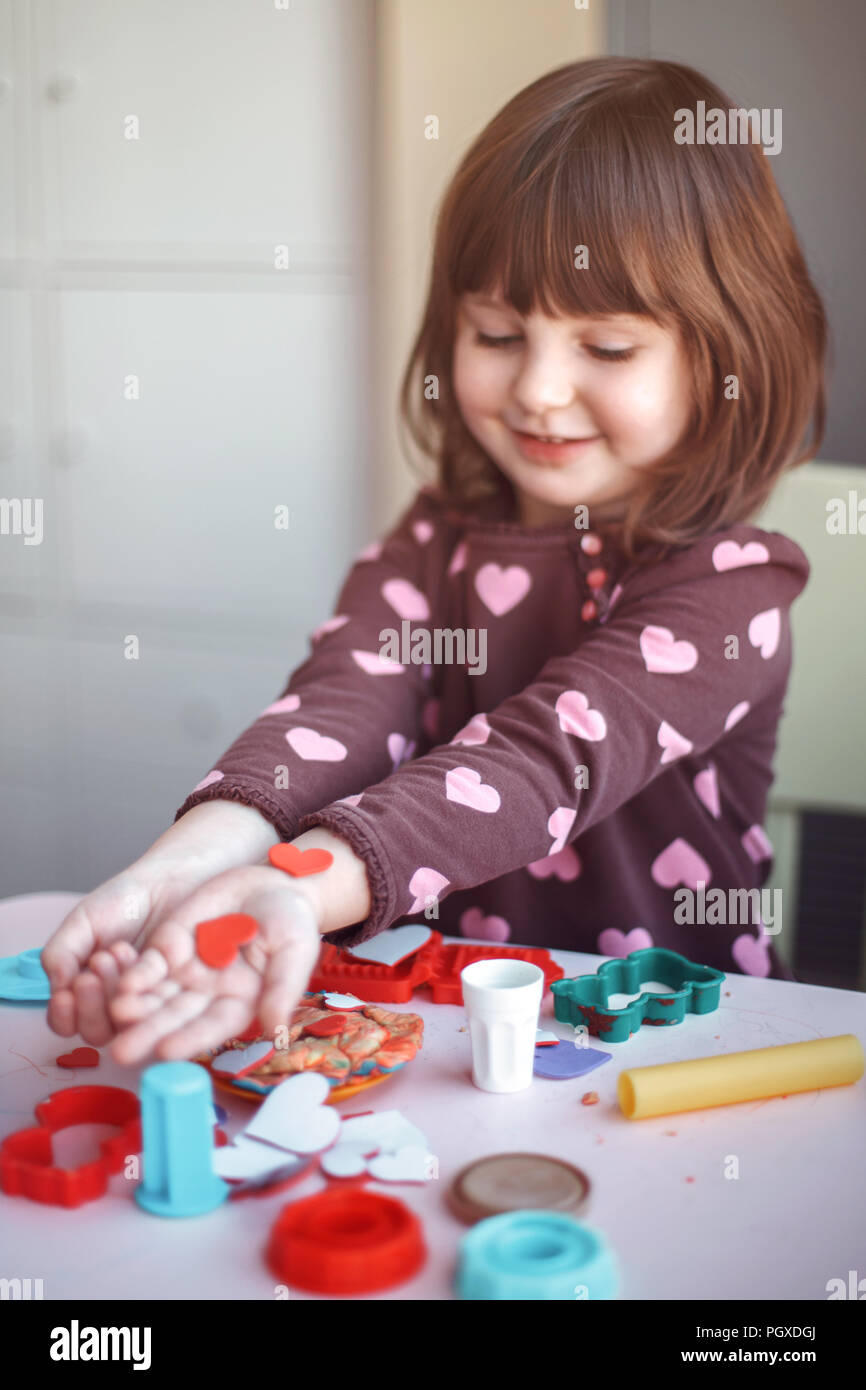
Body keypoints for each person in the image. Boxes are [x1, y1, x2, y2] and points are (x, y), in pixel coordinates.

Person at [43, 57, 827, 1066]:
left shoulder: (732, 587)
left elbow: (542, 760)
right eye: (496, 333)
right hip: (450, 1032)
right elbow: (342, 700)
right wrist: (196, 857)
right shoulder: (435, 535)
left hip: (686, 1045)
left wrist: (296, 886)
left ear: (725, 355)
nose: (538, 390)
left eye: (606, 348)